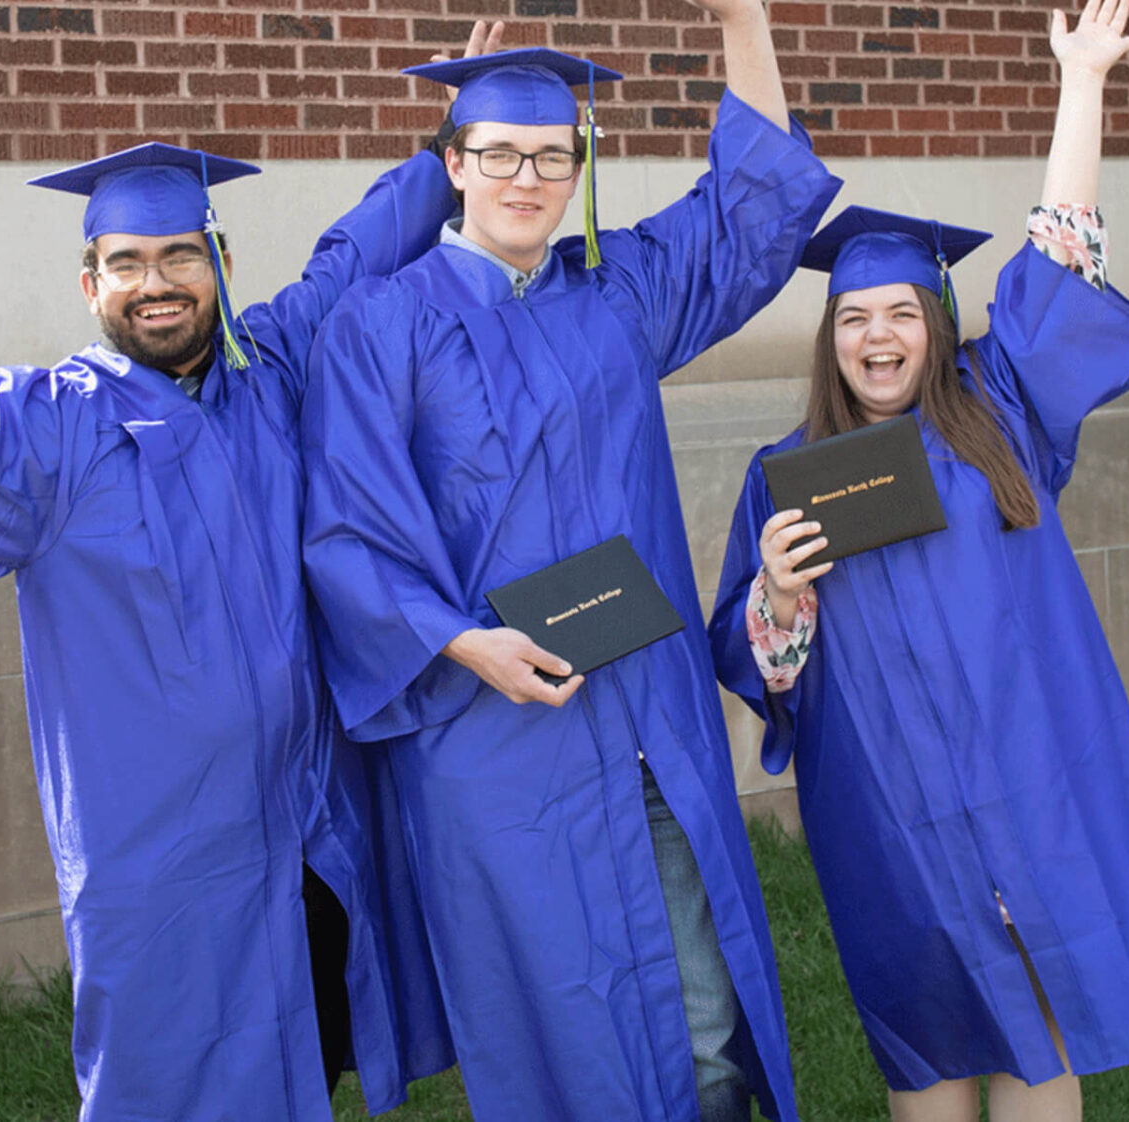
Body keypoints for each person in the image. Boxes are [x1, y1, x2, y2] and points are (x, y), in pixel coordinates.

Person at [0, 22, 512, 1117]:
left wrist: (456, 138)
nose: (158, 283)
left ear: (221, 267)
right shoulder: (43, 433)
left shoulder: (272, 374)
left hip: (305, 835)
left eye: (182, 255)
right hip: (165, 874)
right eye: (128, 264)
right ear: (89, 282)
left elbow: (357, 253)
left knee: (306, 1067)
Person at [298, 3, 841, 1118]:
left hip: (650, 728)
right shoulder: (380, 324)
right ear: (453, 164)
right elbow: (349, 530)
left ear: (580, 163)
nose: (526, 178)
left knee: (708, 1033)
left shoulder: (617, 292)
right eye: (498, 153)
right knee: (556, 1043)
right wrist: (462, 644)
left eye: (553, 154)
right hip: (497, 747)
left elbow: (753, 211)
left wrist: (743, 18)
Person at [708, 1, 1129, 1119]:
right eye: (854, 318)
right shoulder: (782, 474)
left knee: (1042, 1040)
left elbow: (1061, 251)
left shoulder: (1003, 409)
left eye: (901, 313)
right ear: (829, 336)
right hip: (888, 816)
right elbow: (763, 670)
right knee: (929, 1058)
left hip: (1029, 789)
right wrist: (776, 596)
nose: (878, 336)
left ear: (937, 324)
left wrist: (1081, 81)